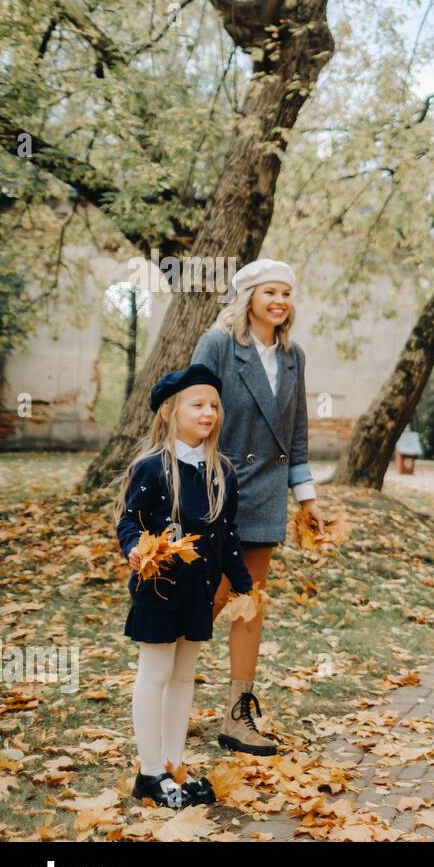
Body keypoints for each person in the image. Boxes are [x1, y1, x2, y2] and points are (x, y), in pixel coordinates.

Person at [191, 258, 325, 756]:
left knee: (250, 604)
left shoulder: (295, 356)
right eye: (270, 292)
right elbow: (190, 413)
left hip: (267, 494)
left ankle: (237, 714)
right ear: (248, 296)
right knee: (208, 597)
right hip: (216, 491)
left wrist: (306, 498)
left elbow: (297, 434)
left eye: (286, 294)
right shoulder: (218, 345)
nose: (280, 302)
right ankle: (167, 687)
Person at [114, 364, 254, 808]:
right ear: (169, 413)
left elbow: (228, 535)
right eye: (198, 404)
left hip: (199, 591)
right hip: (158, 590)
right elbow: (128, 521)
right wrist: (135, 548)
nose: (209, 412)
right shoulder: (152, 468)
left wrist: (244, 585)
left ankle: (175, 765)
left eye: (214, 404)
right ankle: (149, 773)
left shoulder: (222, 472)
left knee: (182, 675)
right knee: (154, 673)